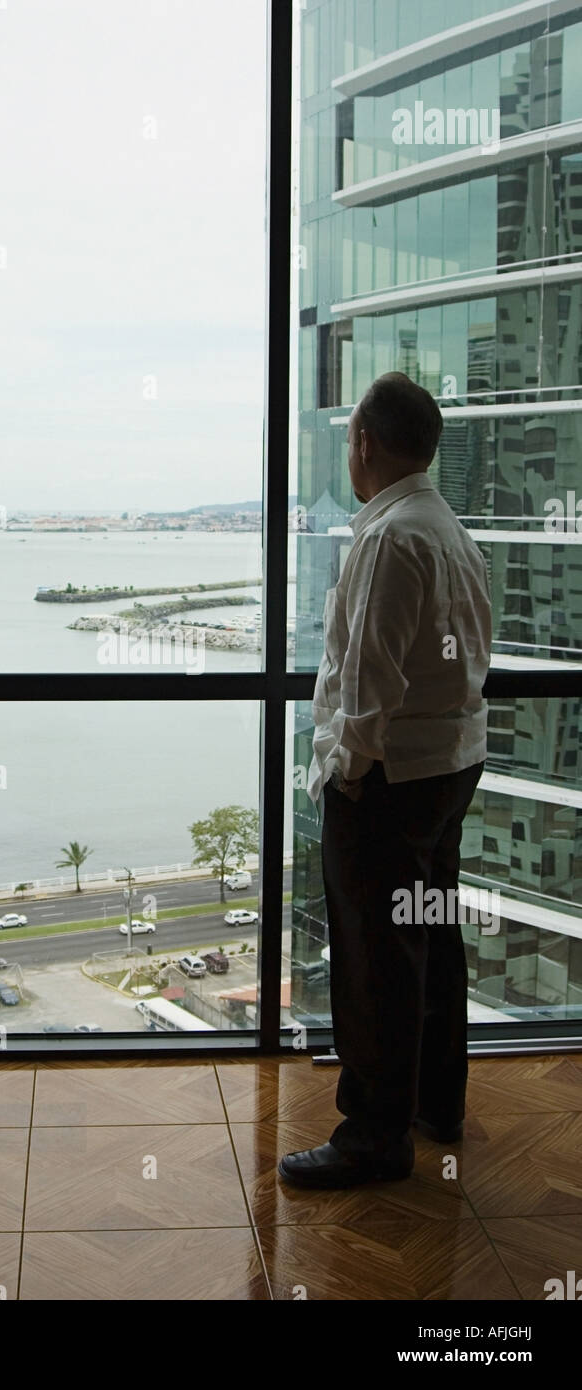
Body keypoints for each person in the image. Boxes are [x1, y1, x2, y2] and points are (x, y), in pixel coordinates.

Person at [279, 372, 492, 1189]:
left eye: (348, 440)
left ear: (364, 444)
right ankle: (435, 1102)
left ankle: (372, 1135)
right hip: (446, 772)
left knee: (375, 960)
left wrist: (345, 774)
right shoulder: (447, 529)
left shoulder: (388, 535)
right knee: (430, 938)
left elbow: (367, 683)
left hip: (389, 783)